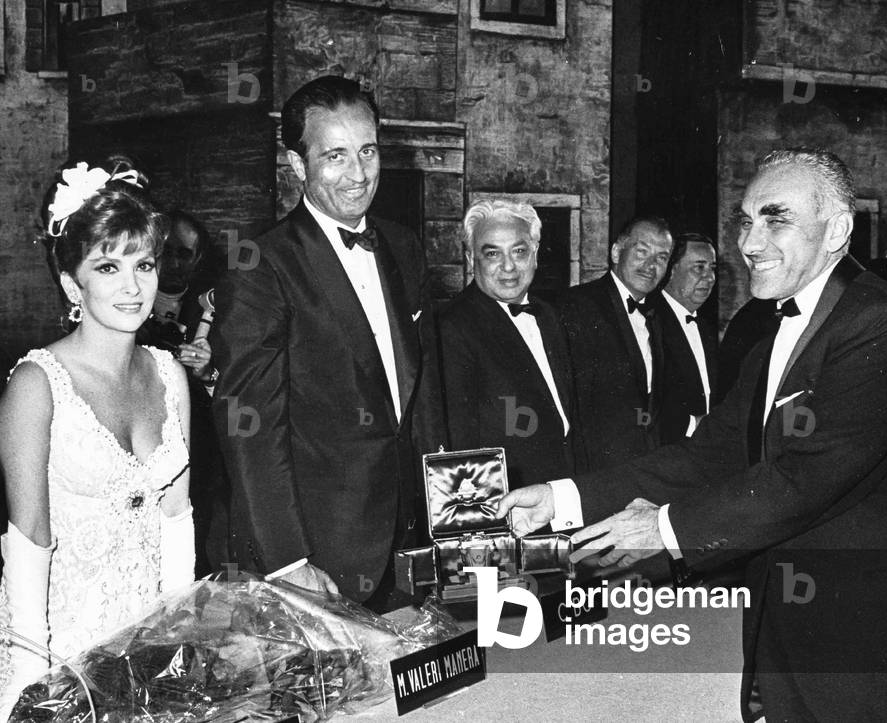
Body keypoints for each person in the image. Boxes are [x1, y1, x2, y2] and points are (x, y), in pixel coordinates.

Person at [498, 148, 887, 719]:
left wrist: (664, 528)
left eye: (776, 219)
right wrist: (562, 497)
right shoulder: (779, 332)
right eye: (745, 221)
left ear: (838, 230)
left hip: (878, 641)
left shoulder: (882, 324)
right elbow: (709, 454)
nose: (749, 243)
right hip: (796, 625)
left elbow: (804, 479)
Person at [0, 159, 194, 722]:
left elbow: (176, 522)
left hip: (145, 648)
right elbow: (29, 546)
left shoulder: (169, 375)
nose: (133, 286)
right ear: (72, 283)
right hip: (58, 651)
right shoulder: (37, 386)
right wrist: (36, 688)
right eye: (108, 266)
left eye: (144, 264)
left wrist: (179, 646)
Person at [211, 76, 427, 609]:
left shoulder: (403, 247)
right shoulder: (261, 266)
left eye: (368, 151)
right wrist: (288, 562)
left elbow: (418, 396)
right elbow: (249, 426)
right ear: (297, 164)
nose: (359, 175)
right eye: (335, 156)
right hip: (320, 553)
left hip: (410, 544)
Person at [431, 199, 575, 488]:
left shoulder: (550, 314)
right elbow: (460, 445)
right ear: (471, 259)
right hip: (509, 501)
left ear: (535, 255)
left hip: (563, 493)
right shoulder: (450, 327)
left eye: (519, 251)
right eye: (493, 254)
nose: (509, 266)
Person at [137, 210, 227, 576]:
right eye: (166, 252)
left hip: (196, 454)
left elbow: (232, 394)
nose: (173, 263)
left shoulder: (214, 310)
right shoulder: (129, 303)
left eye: (184, 254)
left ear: (198, 258)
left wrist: (206, 373)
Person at [557, 217, 672, 471]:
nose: (651, 265)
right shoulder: (577, 306)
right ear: (617, 252)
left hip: (642, 467)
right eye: (642, 252)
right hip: (596, 471)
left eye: (662, 257)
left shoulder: (656, 316)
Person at [652, 232, 718, 443]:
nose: (710, 277)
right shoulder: (649, 322)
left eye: (712, 268)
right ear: (670, 271)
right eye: (699, 267)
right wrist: (693, 425)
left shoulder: (705, 328)